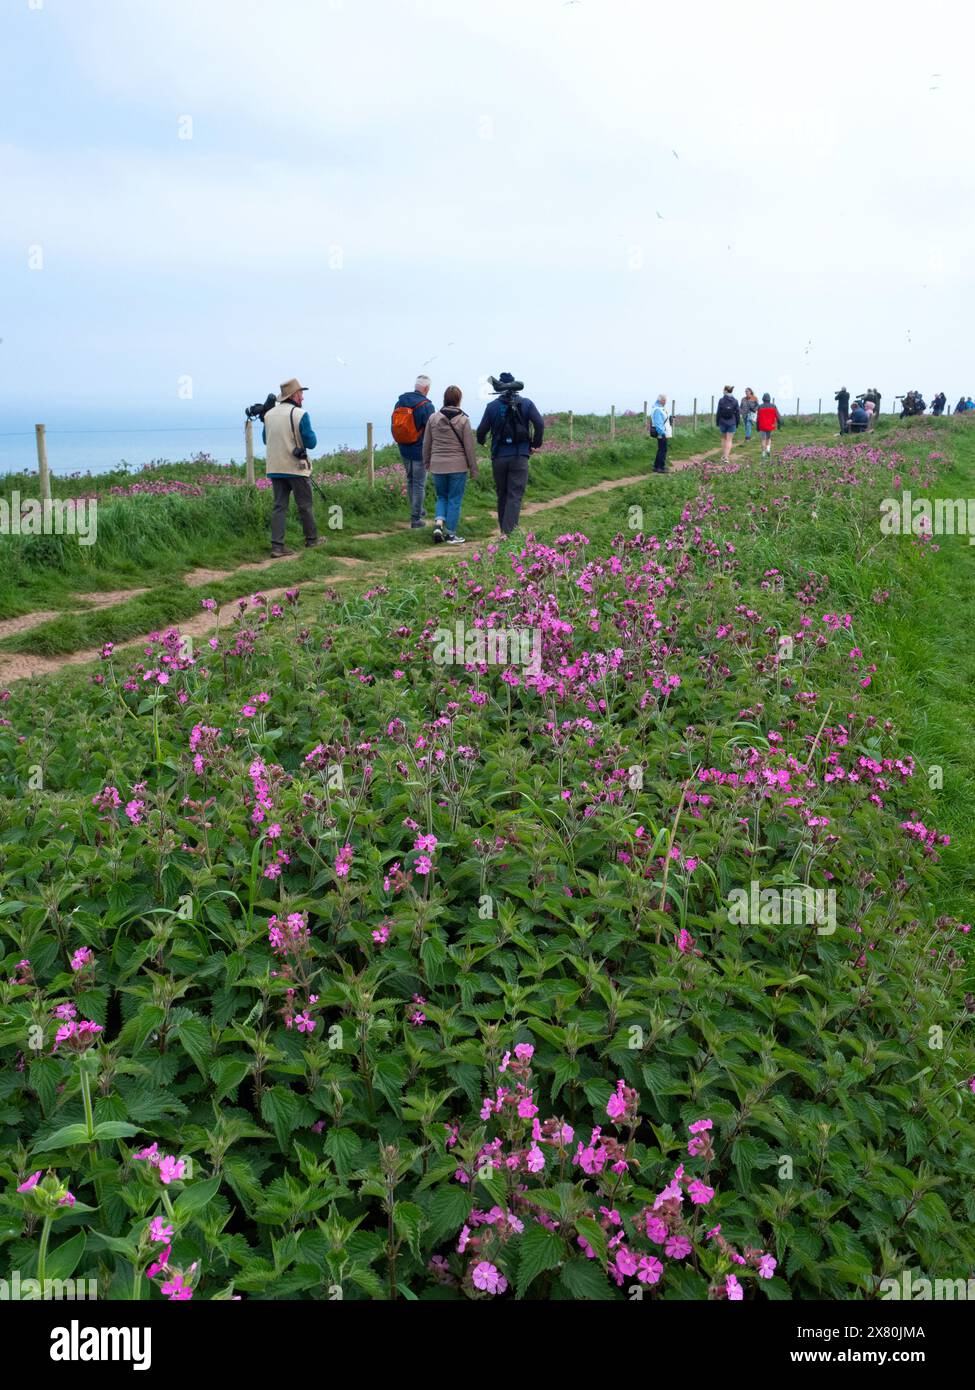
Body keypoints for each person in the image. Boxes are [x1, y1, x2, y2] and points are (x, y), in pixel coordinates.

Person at [476, 372, 545, 538]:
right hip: (520, 455)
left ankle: (504, 531)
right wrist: (534, 444)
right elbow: (540, 424)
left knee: (502, 494)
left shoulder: (492, 406)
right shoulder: (526, 403)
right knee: (514, 495)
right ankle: (508, 534)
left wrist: (482, 441)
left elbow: (481, 430)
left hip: (499, 456)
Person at [262, 376, 321, 558]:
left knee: (279, 506)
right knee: (305, 505)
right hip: (296, 467)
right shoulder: (300, 414)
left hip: (275, 467)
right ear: (294, 395)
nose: (302, 398)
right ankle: (312, 540)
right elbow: (311, 442)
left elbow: (266, 440)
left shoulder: (268, 415)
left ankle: (277, 546)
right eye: (301, 394)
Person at [422, 385, 478, 545]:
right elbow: (469, 447)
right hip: (458, 466)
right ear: (459, 400)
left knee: (441, 496)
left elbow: (427, 443)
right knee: (454, 499)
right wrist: (473, 468)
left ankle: (439, 524)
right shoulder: (463, 419)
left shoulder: (433, 418)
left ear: (444, 399)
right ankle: (450, 534)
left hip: (437, 465)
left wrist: (427, 462)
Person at [391, 375, 435, 528]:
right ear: (426, 389)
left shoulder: (400, 402)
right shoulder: (427, 406)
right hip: (419, 450)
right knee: (419, 484)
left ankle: (418, 509)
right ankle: (416, 519)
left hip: (403, 447)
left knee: (411, 480)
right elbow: (431, 430)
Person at [715, 386, 740, 461]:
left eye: (723, 390)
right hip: (732, 422)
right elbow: (737, 413)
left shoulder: (721, 400)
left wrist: (717, 422)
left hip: (722, 422)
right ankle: (726, 457)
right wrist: (737, 422)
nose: (723, 391)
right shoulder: (735, 401)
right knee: (729, 440)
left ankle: (724, 455)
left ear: (726, 391)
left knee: (723, 438)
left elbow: (718, 412)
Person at [649, 393, 671, 472]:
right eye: (664, 400)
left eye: (665, 400)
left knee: (661, 449)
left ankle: (656, 466)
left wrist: (671, 417)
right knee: (663, 450)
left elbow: (664, 418)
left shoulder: (660, 408)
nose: (665, 402)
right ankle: (660, 467)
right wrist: (662, 433)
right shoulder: (658, 410)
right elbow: (658, 423)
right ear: (660, 400)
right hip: (661, 433)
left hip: (662, 432)